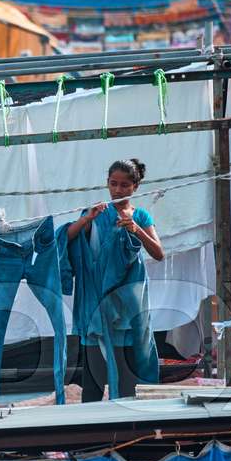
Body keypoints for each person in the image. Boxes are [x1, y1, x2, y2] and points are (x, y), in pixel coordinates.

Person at [64, 158, 163, 400]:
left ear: (135, 187)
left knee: (128, 378)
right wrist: (87, 219)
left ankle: (128, 426)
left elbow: (158, 253)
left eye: (125, 185)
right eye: (113, 184)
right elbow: (68, 238)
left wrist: (135, 230)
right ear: (107, 183)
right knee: (94, 380)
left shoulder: (140, 215)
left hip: (127, 306)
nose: (118, 190)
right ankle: (94, 430)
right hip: (96, 303)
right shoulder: (97, 213)